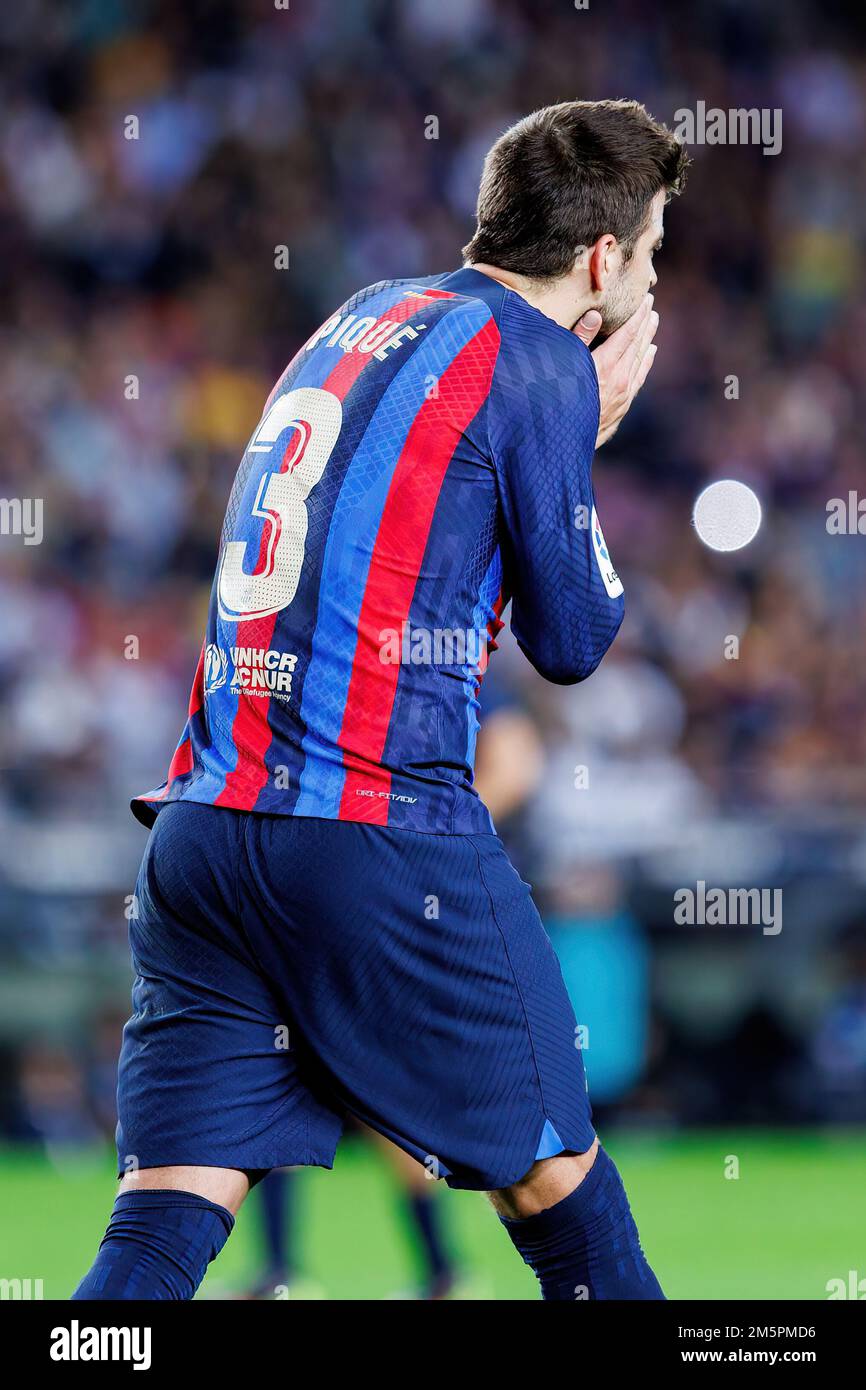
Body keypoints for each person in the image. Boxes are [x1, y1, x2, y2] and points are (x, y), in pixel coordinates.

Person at [73, 99, 686, 1301]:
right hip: (368, 830)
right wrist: (580, 440)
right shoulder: (541, 357)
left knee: (159, 1228)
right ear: (602, 258)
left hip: (203, 829)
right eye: (653, 247)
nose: (651, 274)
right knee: (559, 1181)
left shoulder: (359, 314)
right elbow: (571, 640)